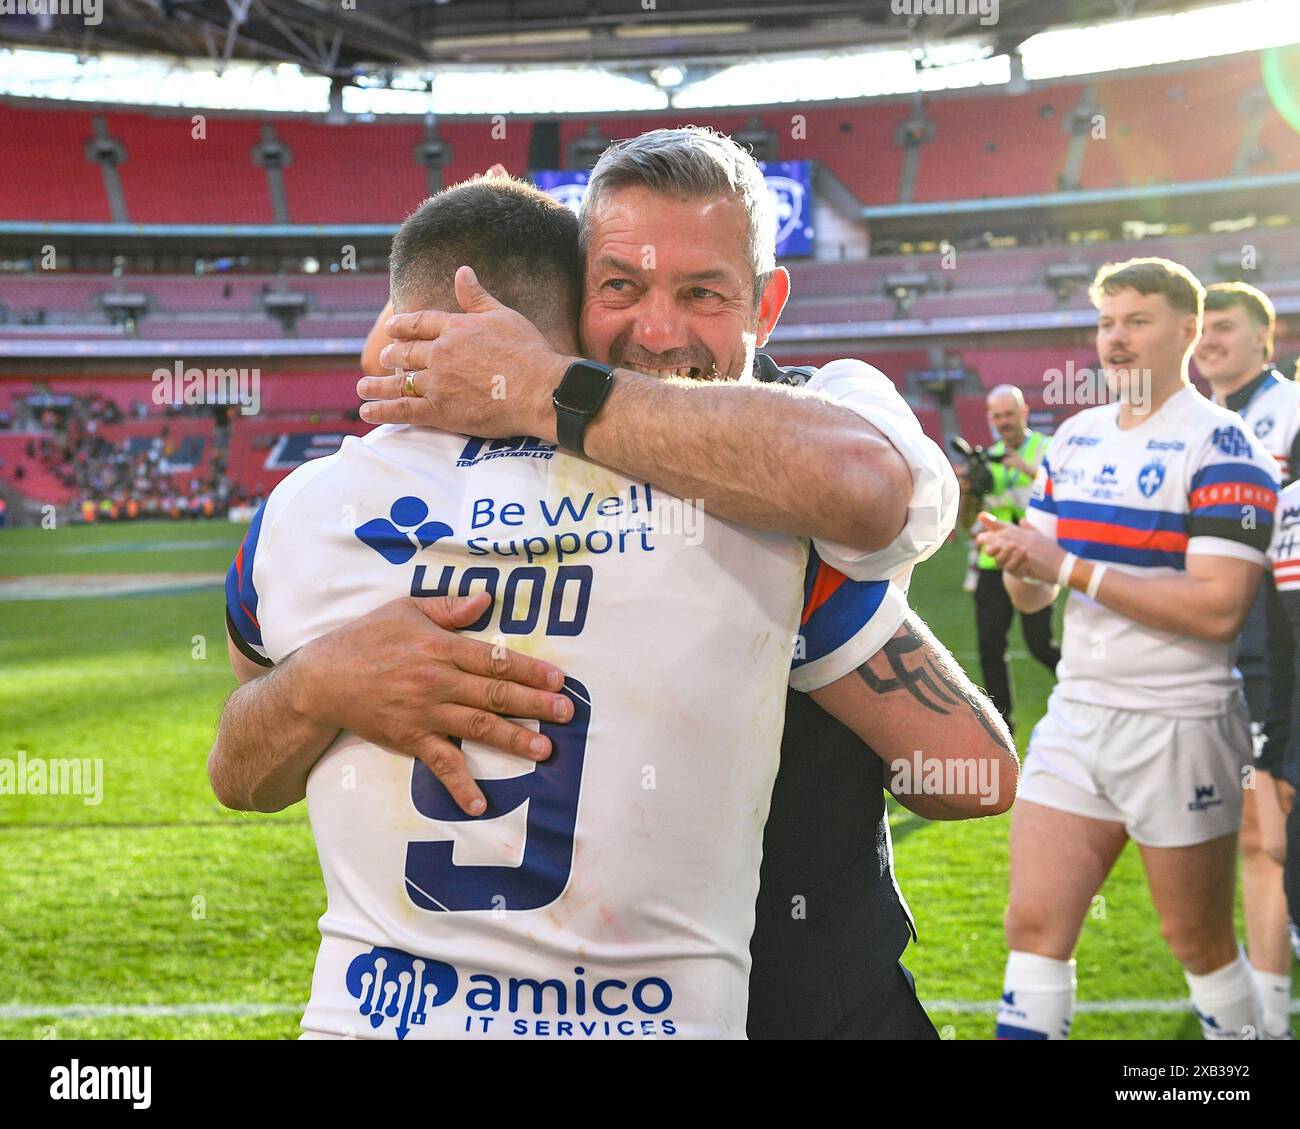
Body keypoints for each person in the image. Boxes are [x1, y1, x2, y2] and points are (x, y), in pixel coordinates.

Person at [211, 126, 973, 1039]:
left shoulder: (302, 513)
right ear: (573, 297)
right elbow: (972, 770)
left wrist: (545, 388)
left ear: (765, 305)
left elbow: (867, 495)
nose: (657, 331)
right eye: (623, 286)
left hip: (813, 992)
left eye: (702, 293)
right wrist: (321, 680)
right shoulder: (733, 519)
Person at [978, 257, 1280, 1040]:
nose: (1115, 338)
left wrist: (1066, 565)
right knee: (1033, 923)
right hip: (1078, 715)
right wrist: (1017, 563)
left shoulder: (1225, 446)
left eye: (1136, 320)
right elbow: (1036, 594)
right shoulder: (1073, 439)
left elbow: (1218, 609)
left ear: (1186, 329)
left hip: (1180, 722)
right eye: (1107, 321)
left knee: (1199, 942)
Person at [1196, 280, 1299, 1038]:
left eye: (1225, 327)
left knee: (1272, 830)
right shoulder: (1202, 423)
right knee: (1251, 835)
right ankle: (1264, 1009)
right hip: (1218, 650)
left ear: (1268, 338)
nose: (1209, 341)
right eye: (1201, 328)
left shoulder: (1288, 412)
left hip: (1276, 647)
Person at [958, 384, 1059, 733]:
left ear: (1024, 413)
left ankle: (1086, 691)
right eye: (997, 416)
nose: (1003, 422)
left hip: (1033, 559)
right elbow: (968, 522)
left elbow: (1068, 495)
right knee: (989, 646)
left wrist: (1032, 470)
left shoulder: (1046, 449)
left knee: (1040, 645)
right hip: (993, 562)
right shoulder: (988, 458)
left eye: (1009, 414)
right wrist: (969, 491)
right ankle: (1002, 727)